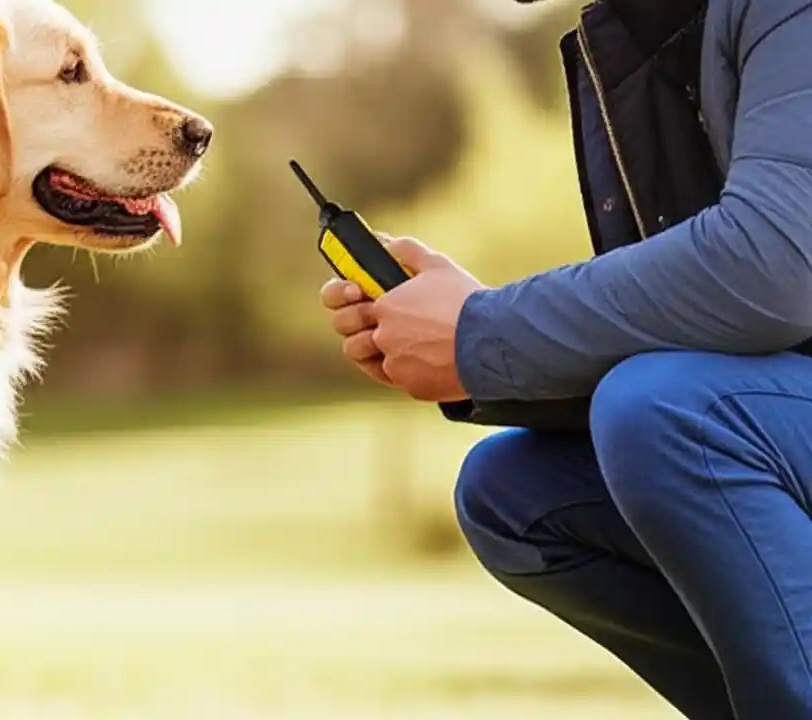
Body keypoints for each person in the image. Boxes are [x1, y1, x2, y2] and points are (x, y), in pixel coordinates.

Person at [321, 0, 812, 718]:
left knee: (661, 413)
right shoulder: (646, 30)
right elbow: (694, 338)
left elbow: (774, 264)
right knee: (516, 492)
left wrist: (479, 332)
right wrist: (465, 339)